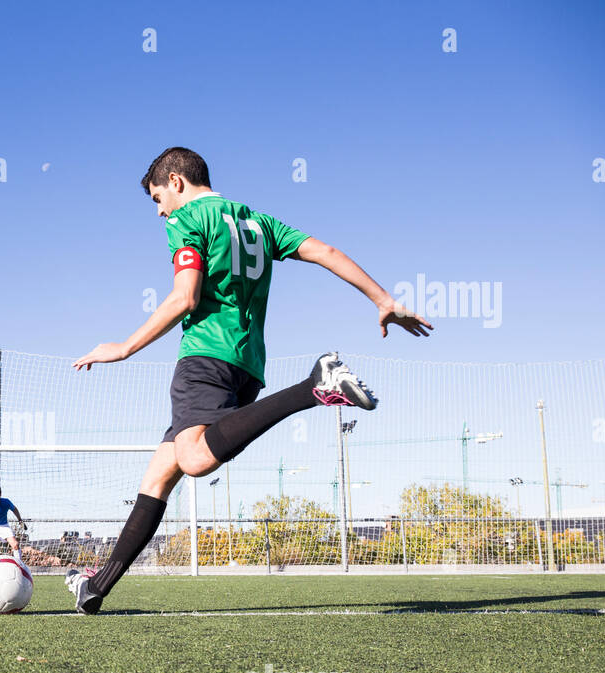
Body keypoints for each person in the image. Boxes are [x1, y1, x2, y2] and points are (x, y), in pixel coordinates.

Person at [66, 146, 432, 614]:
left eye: (158, 198)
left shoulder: (188, 219)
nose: (159, 211)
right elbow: (326, 252)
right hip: (248, 365)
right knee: (160, 473)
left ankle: (313, 387)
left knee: (195, 460)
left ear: (176, 181)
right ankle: (97, 586)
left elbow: (185, 297)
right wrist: (382, 298)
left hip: (204, 357)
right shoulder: (256, 222)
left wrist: (122, 347)